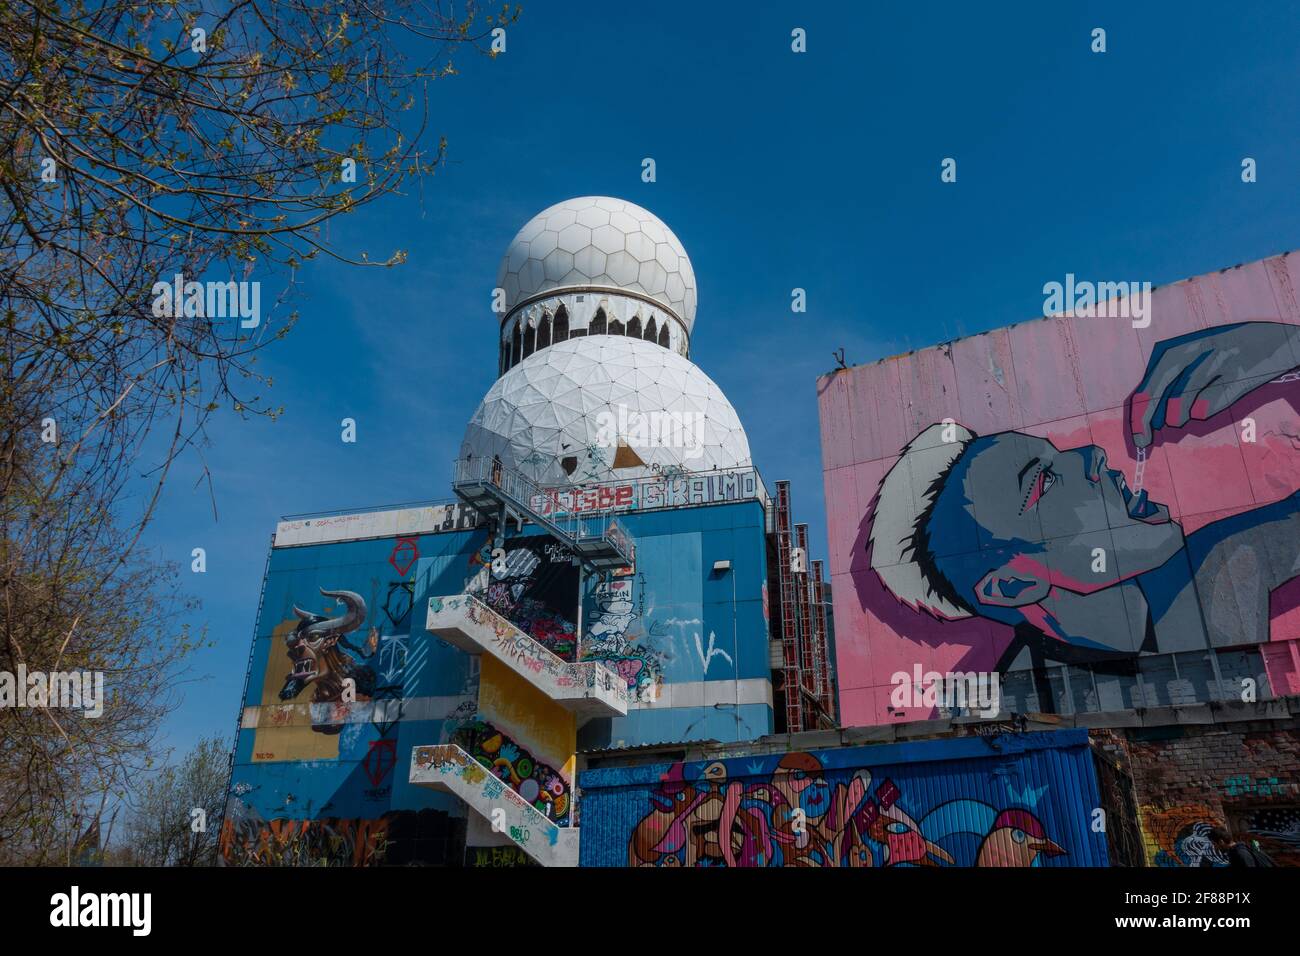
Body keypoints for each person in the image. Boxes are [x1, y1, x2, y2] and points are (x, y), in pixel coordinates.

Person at [869, 321, 1300, 668]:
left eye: (1059, 453)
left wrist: (1285, 350)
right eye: (1044, 482)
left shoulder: (1217, 569)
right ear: (1015, 584)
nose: (1092, 455)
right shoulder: (1013, 711)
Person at [1204, 826, 1274, 867]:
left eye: (1214, 844)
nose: (1214, 847)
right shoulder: (1235, 852)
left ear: (1221, 842)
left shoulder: (1241, 853)